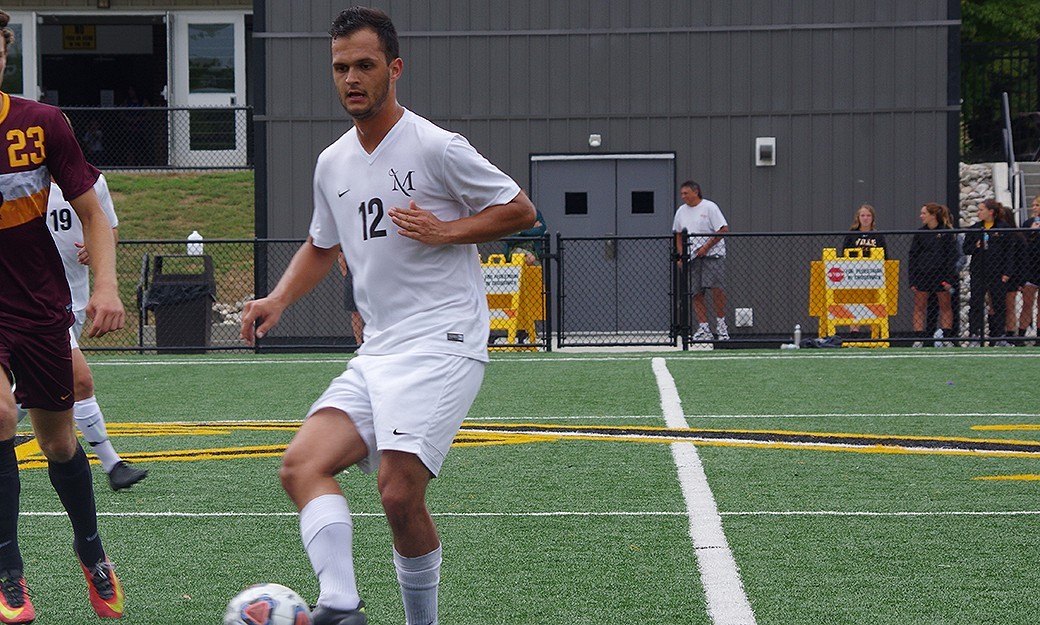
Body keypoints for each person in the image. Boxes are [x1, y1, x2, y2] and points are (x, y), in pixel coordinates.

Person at [238, 8, 536, 625]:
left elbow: (519, 209)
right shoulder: (331, 163)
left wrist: (447, 230)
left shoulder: (435, 146)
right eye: (341, 67)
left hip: (444, 338)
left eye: (365, 65)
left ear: (394, 69)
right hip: (378, 349)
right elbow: (323, 245)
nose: (352, 78)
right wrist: (276, 300)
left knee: (398, 494)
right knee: (302, 466)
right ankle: (341, 606)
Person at [0, 10, 127, 622]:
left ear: (4, 53)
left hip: (39, 306)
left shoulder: (42, 124)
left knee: (56, 442)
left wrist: (106, 285)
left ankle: (91, 549)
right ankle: (8, 572)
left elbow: (94, 212)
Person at [46, 175, 149, 490]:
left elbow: (109, 229)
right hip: (41, 303)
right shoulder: (20, 180)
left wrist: (97, 248)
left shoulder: (90, 180)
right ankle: (113, 465)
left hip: (76, 301)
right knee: (80, 380)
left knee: (35, 393)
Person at [672, 181, 730, 341]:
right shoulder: (681, 212)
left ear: (695, 192)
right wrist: (681, 255)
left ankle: (721, 326)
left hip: (713, 256)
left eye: (686, 193)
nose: (683, 196)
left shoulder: (710, 207)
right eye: (682, 194)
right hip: (692, 258)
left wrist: (706, 247)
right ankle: (704, 328)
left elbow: (723, 229)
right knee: (696, 292)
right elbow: (678, 234)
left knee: (716, 289)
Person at [963, 199, 1015, 346]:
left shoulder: (1003, 228)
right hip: (979, 272)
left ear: (991, 212)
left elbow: (1009, 253)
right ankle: (975, 335)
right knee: (976, 303)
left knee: (998, 304)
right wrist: (976, 246)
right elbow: (966, 249)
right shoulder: (975, 228)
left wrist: (1007, 273)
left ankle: (999, 335)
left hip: (997, 273)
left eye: (981, 210)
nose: (978, 213)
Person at [908, 203, 957, 347]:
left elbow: (951, 256)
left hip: (941, 275)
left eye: (924, 213)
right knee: (919, 306)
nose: (921, 216)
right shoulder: (920, 233)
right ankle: (918, 338)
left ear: (933, 215)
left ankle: (946, 338)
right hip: (923, 274)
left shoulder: (946, 232)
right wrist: (913, 280)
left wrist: (949, 279)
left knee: (945, 306)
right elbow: (913, 256)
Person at [1017, 195, 1040, 340]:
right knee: (1027, 303)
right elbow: (1022, 244)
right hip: (1030, 269)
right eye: (1033, 205)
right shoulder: (1028, 223)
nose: (1034, 208)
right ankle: (1021, 334)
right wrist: (1032, 231)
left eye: (1037, 205)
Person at [337, 251, 364, 345]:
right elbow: (341, 255)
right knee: (355, 311)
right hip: (353, 275)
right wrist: (347, 274)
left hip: (371, 273)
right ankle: (359, 343)